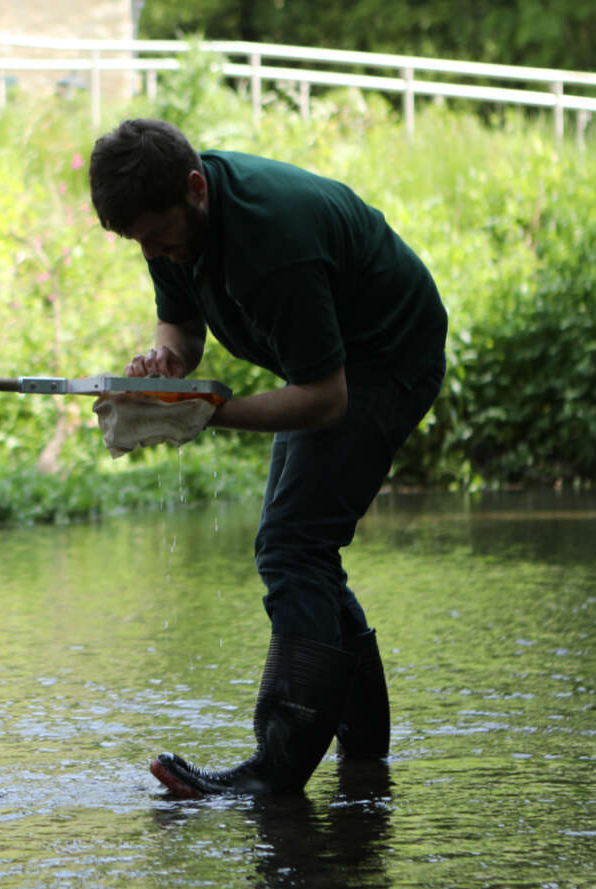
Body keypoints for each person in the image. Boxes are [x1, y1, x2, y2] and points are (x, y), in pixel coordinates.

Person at [87, 118, 446, 798]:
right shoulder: (164, 218)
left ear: (196, 188)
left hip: (386, 358)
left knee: (293, 548)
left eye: (159, 238)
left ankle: (276, 768)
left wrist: (203, 412)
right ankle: (363, 750)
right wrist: (168, 361)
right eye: (140, 245)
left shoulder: (271, 240)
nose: (154, 253)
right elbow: (183, 326)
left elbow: (325, 401)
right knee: (299, 548)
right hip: (324, 367)